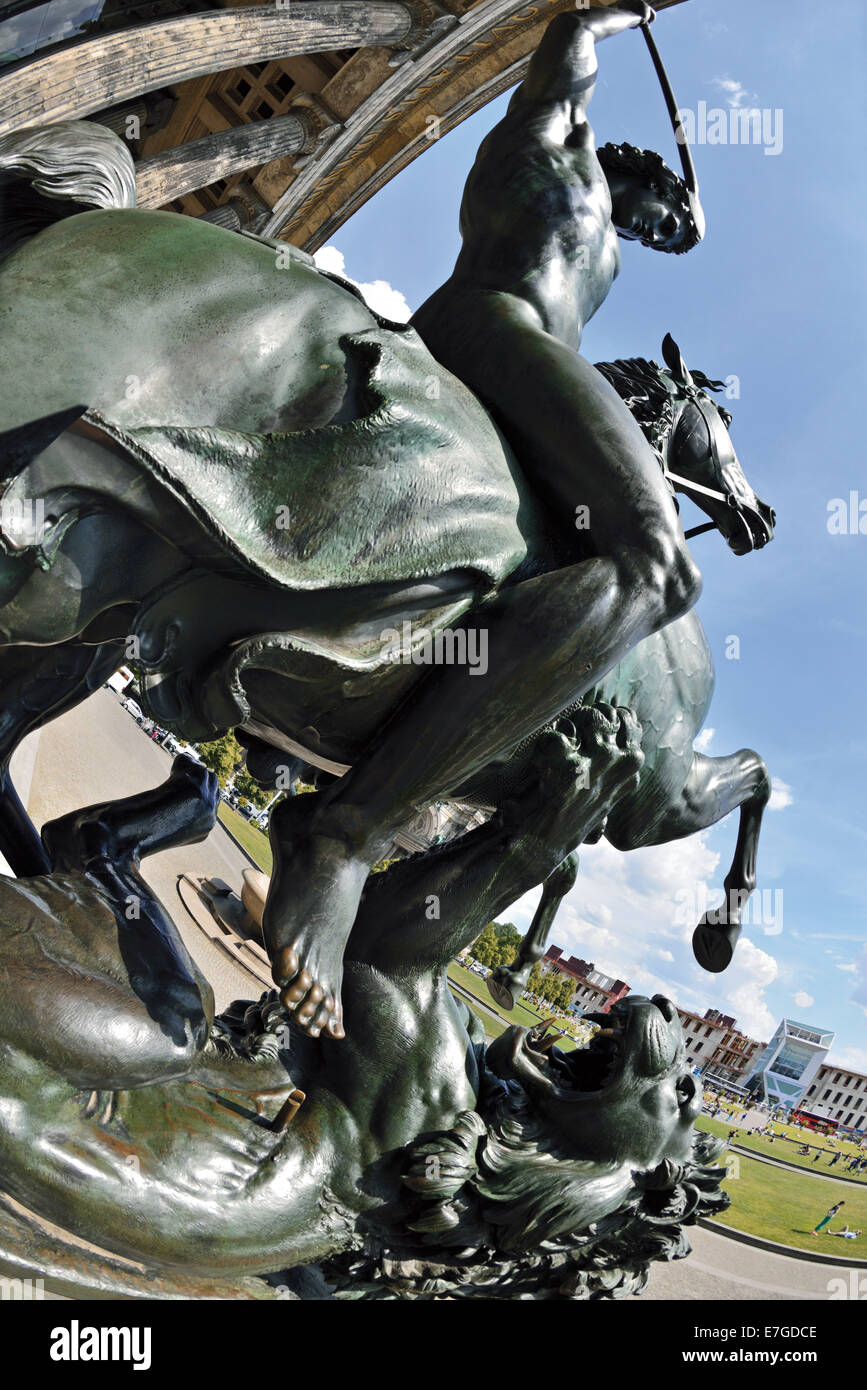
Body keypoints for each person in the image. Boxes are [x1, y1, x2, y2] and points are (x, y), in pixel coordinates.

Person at [262, 2, 708, 1034]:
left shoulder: (603, 236)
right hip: (488, 322)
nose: (659, 232)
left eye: (670, 233)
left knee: (582, 563)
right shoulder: (554, 137)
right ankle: (344, 833)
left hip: (526, 351)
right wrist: (608, 15)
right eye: (663, 211)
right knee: (662, 574)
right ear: (640, 170)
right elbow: (562, 55)